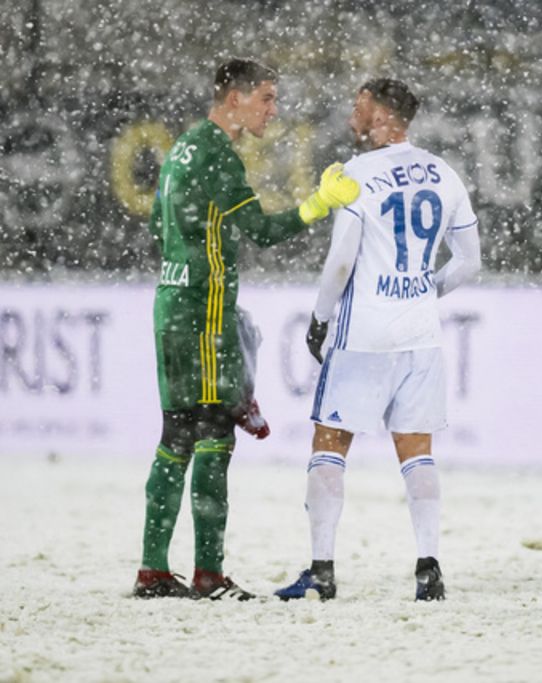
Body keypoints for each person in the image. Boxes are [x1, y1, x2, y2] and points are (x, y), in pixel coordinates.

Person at [133, 58, 360, 600]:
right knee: (213, 438)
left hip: (172, 303)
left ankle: (152, 570)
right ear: (233, 99)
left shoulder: (184, 147)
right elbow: (260, 229)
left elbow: (156, 224)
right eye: (266, 98)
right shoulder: (217, 154)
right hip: (203, 313)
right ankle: (208, 575)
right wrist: (318, 205)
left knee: (175, 439)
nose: (273, 109)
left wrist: (197, 255)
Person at [275, 78, 482, 602]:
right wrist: (426, 289)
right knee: (417, 451)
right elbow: (470, 261)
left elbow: (341, 260)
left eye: (359, 107)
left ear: (384, 114)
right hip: (419, 335)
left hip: (363, 333)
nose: (351, 115)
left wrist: (320, 317)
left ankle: (322, 570)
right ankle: (429, 566)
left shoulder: (358, 175)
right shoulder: (444, 172)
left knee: (329, 445)